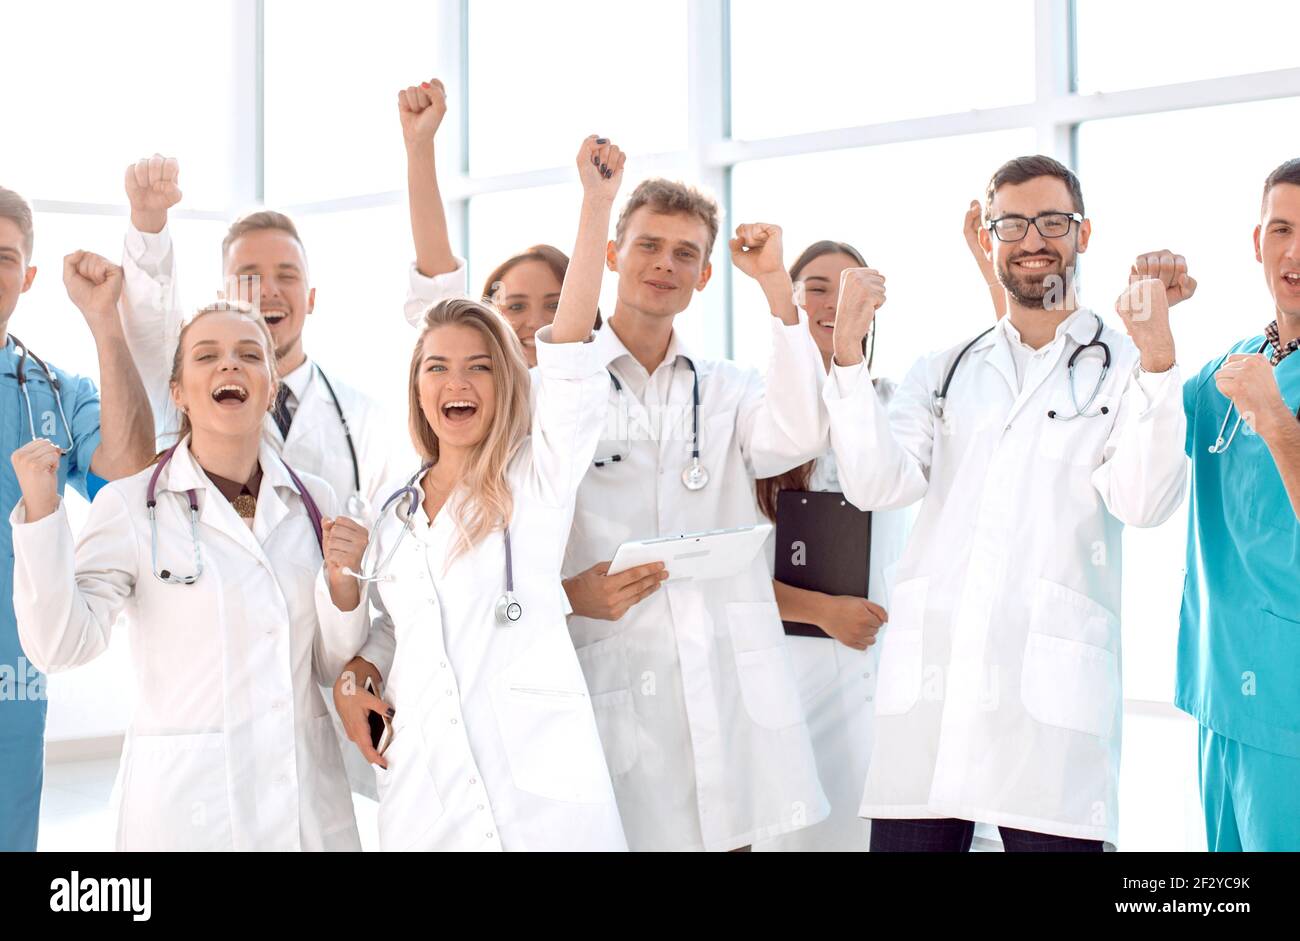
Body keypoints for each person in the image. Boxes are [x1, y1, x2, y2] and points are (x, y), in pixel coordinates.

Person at [825, 155, 1190, 851]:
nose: (1033, 239)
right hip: (929, 708)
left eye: (1053, 220)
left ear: (1083, 233)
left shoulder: (1127, 361)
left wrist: (1162, 360)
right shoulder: (948, 366)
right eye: (1013, 222)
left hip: (1049, 719)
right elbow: (877, 484)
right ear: (987, 238)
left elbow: (1144, 503)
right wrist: (847, 352)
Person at [320, 137, 625, 851]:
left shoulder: (538, 473)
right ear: (417, 386)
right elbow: (400, 624)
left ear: (506, 381)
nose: (457, 383)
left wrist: (595, 206)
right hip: (426, 791)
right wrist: (360, 669)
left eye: (479, 367)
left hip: (542, 793)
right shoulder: (392, 508)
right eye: (438, 367)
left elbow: (573, 349)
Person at [11, 301, 359, 851]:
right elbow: (59, 646)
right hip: (189, 809)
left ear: (270, 387)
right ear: (178, 391)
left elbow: (328, 664)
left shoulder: (317, 501)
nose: (230, 367)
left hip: (302, 798)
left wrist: (345, 593)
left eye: (249, 355)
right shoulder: (130, 505)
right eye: (207, 356)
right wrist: (41, 513)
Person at [117, 155, 410, 522]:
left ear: (311, 297)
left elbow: (390, 542)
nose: (268, 291)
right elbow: (150, 320)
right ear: (222, 298)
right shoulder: (184, 397)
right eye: (250, 276)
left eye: (287, 276)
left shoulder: (366, 419)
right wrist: (149, 223)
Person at [0, 187, 156, 852]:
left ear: (28, 277)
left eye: (4, 256)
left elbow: (129, 471)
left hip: (11, 677)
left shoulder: (52, 393)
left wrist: (106, 324)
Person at [751, 239, 911, 852]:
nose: (833, 301)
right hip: (791, 671)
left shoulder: (898, 406)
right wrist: (822, 612)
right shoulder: (753, 416)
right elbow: (725, 570)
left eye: (850, 288)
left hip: (885, 668)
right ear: (789, 303)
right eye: (816, 286)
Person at [1176, 157, 1300, 851]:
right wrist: (1154, 324)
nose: (1295, 251)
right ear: (1256, 242)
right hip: (1220, 694)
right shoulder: (1231, 367)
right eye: (1281, 228)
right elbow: (1140, 441)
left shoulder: (1253, 385)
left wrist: (1277, 421)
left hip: (1290, 712)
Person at [396, 78, 598, 365]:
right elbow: (438, 290)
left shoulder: (583, 389)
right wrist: (419, 144)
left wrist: (598, 199)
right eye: (515, 306)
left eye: (555, 305)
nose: (536, 322)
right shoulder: (474, 389)